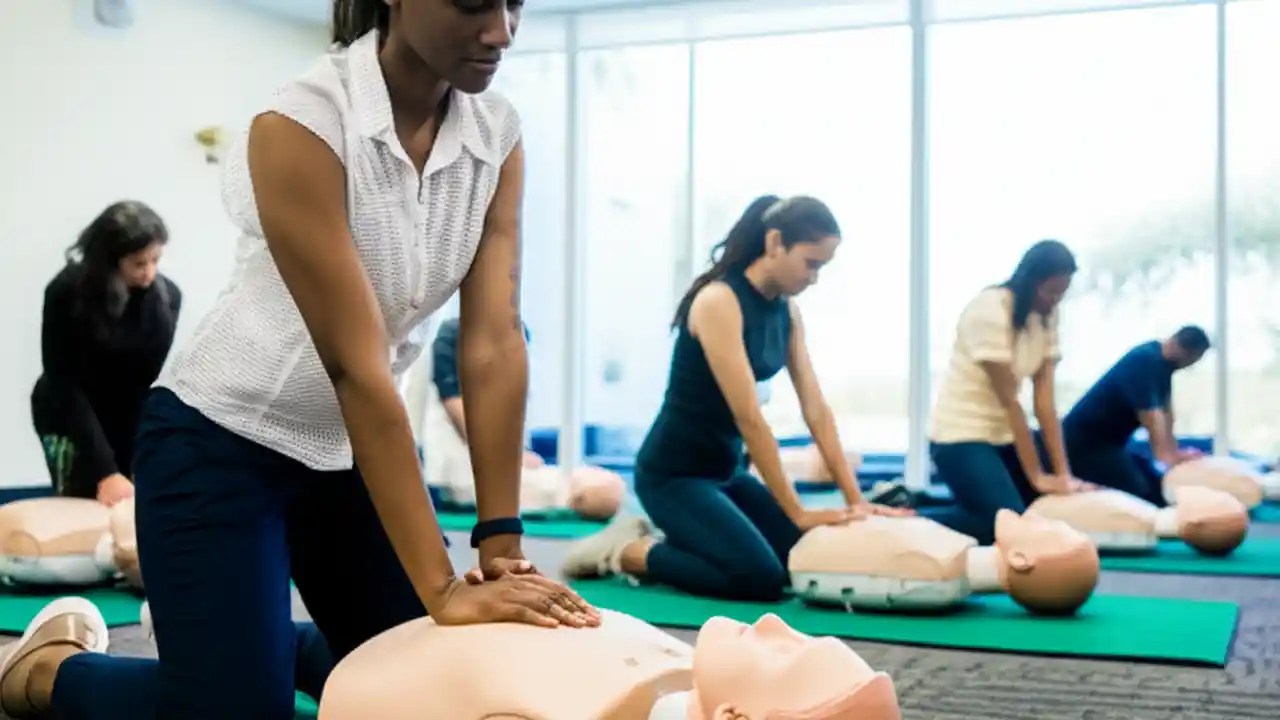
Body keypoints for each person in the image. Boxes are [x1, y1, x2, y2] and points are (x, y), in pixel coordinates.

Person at [0, 2, 598, 719]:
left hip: (349, 455)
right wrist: (441, 588)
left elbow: (495, 341)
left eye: (514, 2)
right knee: (236, 711)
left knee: (435, 683)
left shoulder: (495, 136)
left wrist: (501, 540)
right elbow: (357, 367)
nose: (501, 30)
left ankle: (236, 636)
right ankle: (49, 670)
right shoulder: (302, 124)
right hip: (219, 442)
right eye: (473, 2)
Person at [563, 195, 909, 602]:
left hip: (727, 474)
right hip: (674, 477)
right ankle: (630, 551)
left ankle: (685, 537)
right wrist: (796, 511)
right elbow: (749, 418)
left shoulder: (787, 312)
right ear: (775, 242)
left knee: (795, 559)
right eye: (811, 263)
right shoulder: (718, 301)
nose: (814, 278)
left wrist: (857, 502)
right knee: (756, 577)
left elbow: (816, 409)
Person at [928, 240, 1086, 545]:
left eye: (1062, 294)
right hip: (960, 436)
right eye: (1051, 292)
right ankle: (906, 515)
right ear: (1031, 280)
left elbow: (1045, 404)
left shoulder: (1046, 316)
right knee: (1001, 523)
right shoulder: (989, 310)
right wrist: (1038, 475)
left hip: (1004, 438)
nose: (1055, 302)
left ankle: (927, 505)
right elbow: (1011, 403)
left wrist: (1064, 476)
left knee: (1034, 511)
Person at [30, 201, 181, 507]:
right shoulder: (66, 292)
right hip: (65, 411)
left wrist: (140, 459)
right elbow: (63, 382)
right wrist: (104, 471)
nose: (149, 273)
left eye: (156, 260)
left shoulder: (168, 299)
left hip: (125, 411)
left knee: (128, 503)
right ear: (111, 259)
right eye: (139, 263)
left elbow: (146, 387)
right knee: (82, 500)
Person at [1059, 326, 1211, 506]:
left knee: (1155, 485)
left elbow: (1166, 411)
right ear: (1186, 351)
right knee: (1140, 491)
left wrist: (1174, 451)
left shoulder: (1164, 364)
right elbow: (1150, 416)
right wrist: (1165, 455)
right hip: (1084, 444)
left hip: (1111, 444)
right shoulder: (1146, 360)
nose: (1189, 366)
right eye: (1192, 360)